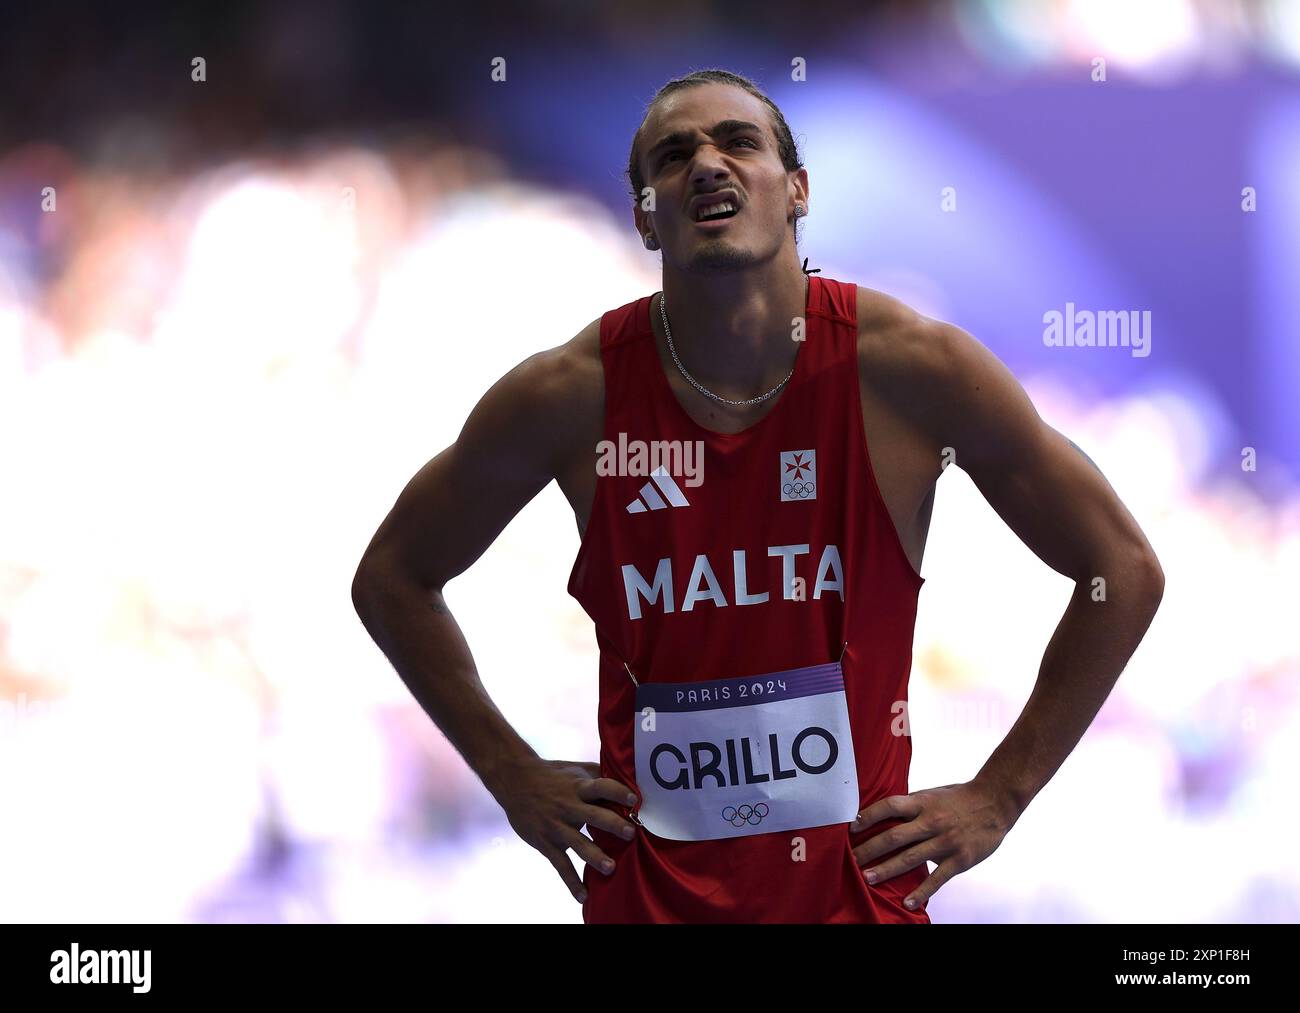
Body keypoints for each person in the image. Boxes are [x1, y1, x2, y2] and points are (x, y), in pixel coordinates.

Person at [350, 69, 1165, 923]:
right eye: (673, 156)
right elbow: (393, 578)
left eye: (738, 142)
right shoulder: (569, 394)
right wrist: (508, 770)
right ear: (643, 214)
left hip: (856, 901)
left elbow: (1123, 569)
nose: (706, 165)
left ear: (797, 189)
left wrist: (1000, 795)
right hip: (649, 903)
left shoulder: (911, 371)